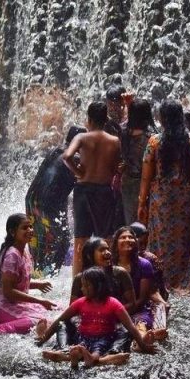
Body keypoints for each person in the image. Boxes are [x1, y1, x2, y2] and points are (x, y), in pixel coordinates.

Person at [138, 99, 190, 295]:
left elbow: (146, 176)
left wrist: (141, 202)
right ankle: (187, 280)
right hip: (187, 197)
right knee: (186, 240)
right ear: (181, 117)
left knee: (161, 239)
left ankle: (161, 278)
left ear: (162, 119)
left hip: (161, 199)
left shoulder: (154, 142)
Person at [38, 267, 154, 368]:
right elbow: (60, 320)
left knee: (105, 344)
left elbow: (130, 327)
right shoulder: (80, 302)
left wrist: (143, 346)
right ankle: (75, 355)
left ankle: (80, 357)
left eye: (86, 285)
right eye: (82, 285)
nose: (82, 289)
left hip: (104, 338)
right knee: (63, 325)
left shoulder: (113, 303)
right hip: (83, 337)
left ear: (99, 286)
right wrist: (43, 339)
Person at [62, 101, 122, 275]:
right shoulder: (114, 140)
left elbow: (66, 156)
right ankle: (109, 278)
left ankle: (77, 285)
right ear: (106, 119)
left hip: (83, 191)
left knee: (80, 239)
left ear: (88, 119)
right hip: (104, 190)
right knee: (107, 238)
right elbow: (115, 167)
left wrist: (78, 172)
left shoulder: (81, 137)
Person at [25, 126, 85, 275]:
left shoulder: (55, 150)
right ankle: (49, 278)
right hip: (49, 203)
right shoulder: (75, 158)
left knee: (37, 238)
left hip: (32, 199)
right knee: (62, 241)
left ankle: (32, 272)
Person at [0, 214, 57, 336]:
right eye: (25, 228)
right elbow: (8, 291)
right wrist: (39, 300)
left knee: (57, 309)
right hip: (1, 308)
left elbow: (17, 282)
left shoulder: (23, 251)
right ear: (12, 232)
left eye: (30, 227)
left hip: (16, 304)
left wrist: (37, 285)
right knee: (40, 322)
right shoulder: (11, 255)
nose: (30, 230)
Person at [112, 226, 161, 335]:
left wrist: (122, 313)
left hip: (138, 308)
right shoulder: (109, 264)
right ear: (115, 243)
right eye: (123, 237)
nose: (127, 240)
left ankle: (143, 339)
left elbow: (143, 299)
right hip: (112, 309)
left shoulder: (144, 264)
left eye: (130, 237)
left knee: (141, 324)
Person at [119, 99, 155, 226]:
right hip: (149, 183)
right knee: (148, 221)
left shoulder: (123, 133)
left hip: (128, 182)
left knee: (131, 221)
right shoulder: (152, 137)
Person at [130, 221, 169, 303]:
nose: (143, 247)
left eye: (145, 243)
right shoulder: (120, 256)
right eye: (140, 243)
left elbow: (156, 288)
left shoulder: (150, 259)